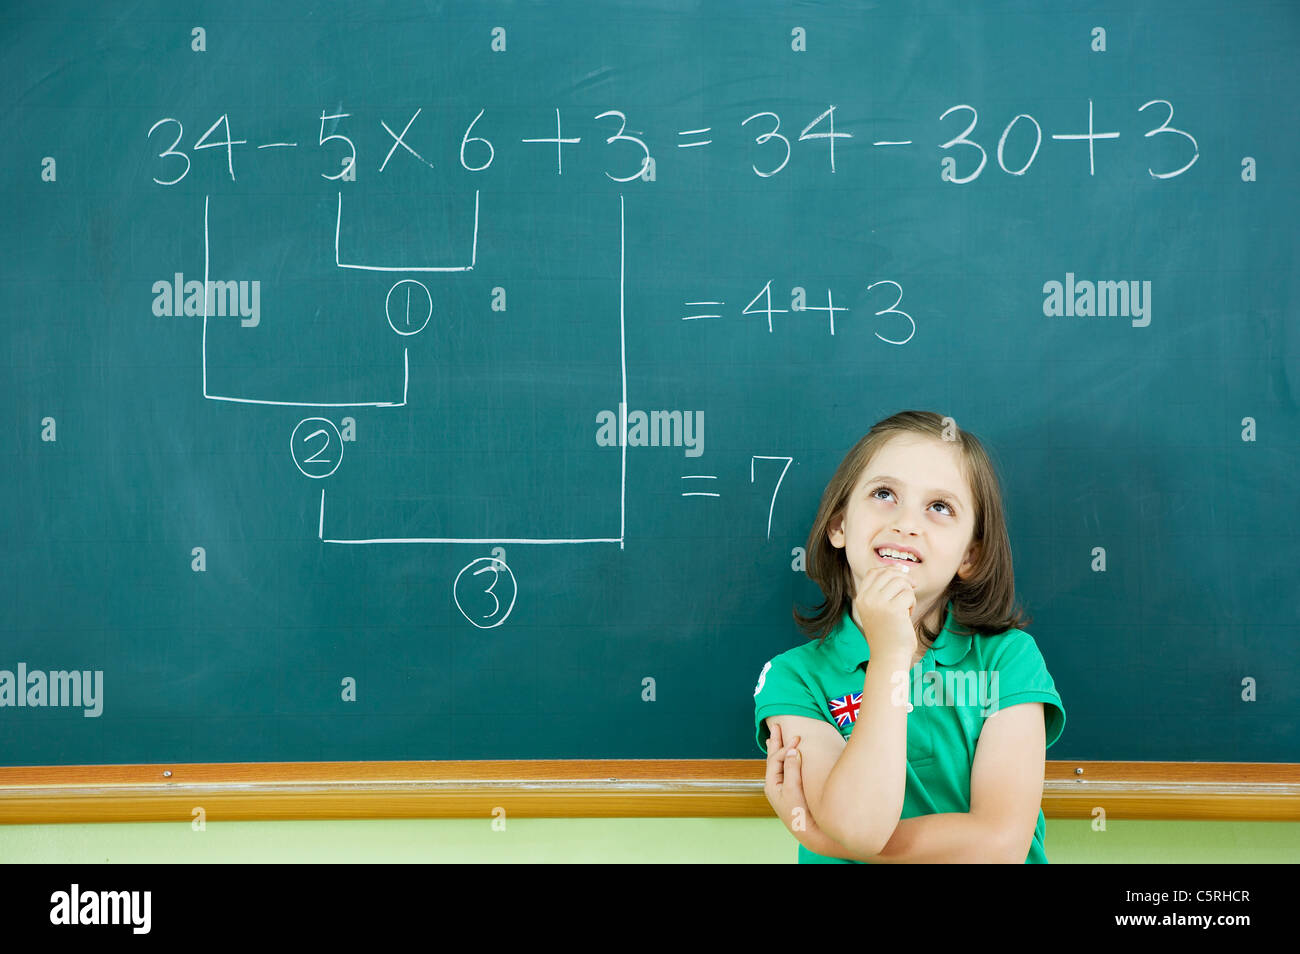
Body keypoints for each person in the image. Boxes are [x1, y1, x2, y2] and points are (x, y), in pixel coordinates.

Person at [752, 409, 1066, 862]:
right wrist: (890, 654)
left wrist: (825, 838)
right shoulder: (793, 678)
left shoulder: (1009, 659)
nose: (907, 523)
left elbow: (998, 846)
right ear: (840, 526)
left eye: (940, 507)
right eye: (884, 493)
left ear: (970, 555)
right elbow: (860, 825)